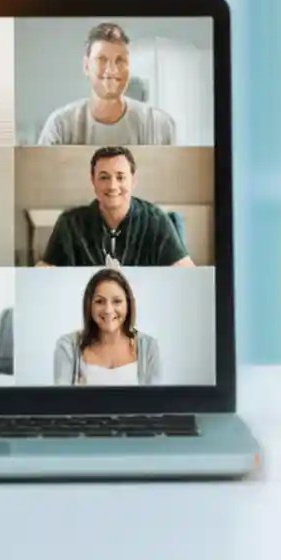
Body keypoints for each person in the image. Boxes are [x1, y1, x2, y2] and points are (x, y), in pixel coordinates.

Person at [37, 146, 194, 268]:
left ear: (133, 181)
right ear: (93, 181)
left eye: (120, 177)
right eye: (104, 177)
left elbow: (186, 273)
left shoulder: (156, 220)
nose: (112, 186)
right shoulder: (70, 223)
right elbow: (46, 272)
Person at [37, 22, 176, 146]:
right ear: (86, 66)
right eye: (101, 59)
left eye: (120, 60)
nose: (112, 70)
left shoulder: (159, 125)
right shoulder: (60, 126)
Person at [54, 268, 161, 386]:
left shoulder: (149, 347)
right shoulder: (67, 346)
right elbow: (61, 401)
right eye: (100, 301)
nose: (108, 310)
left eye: (117, 301)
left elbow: (155, 401)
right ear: (89, 305)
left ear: (128, 304)